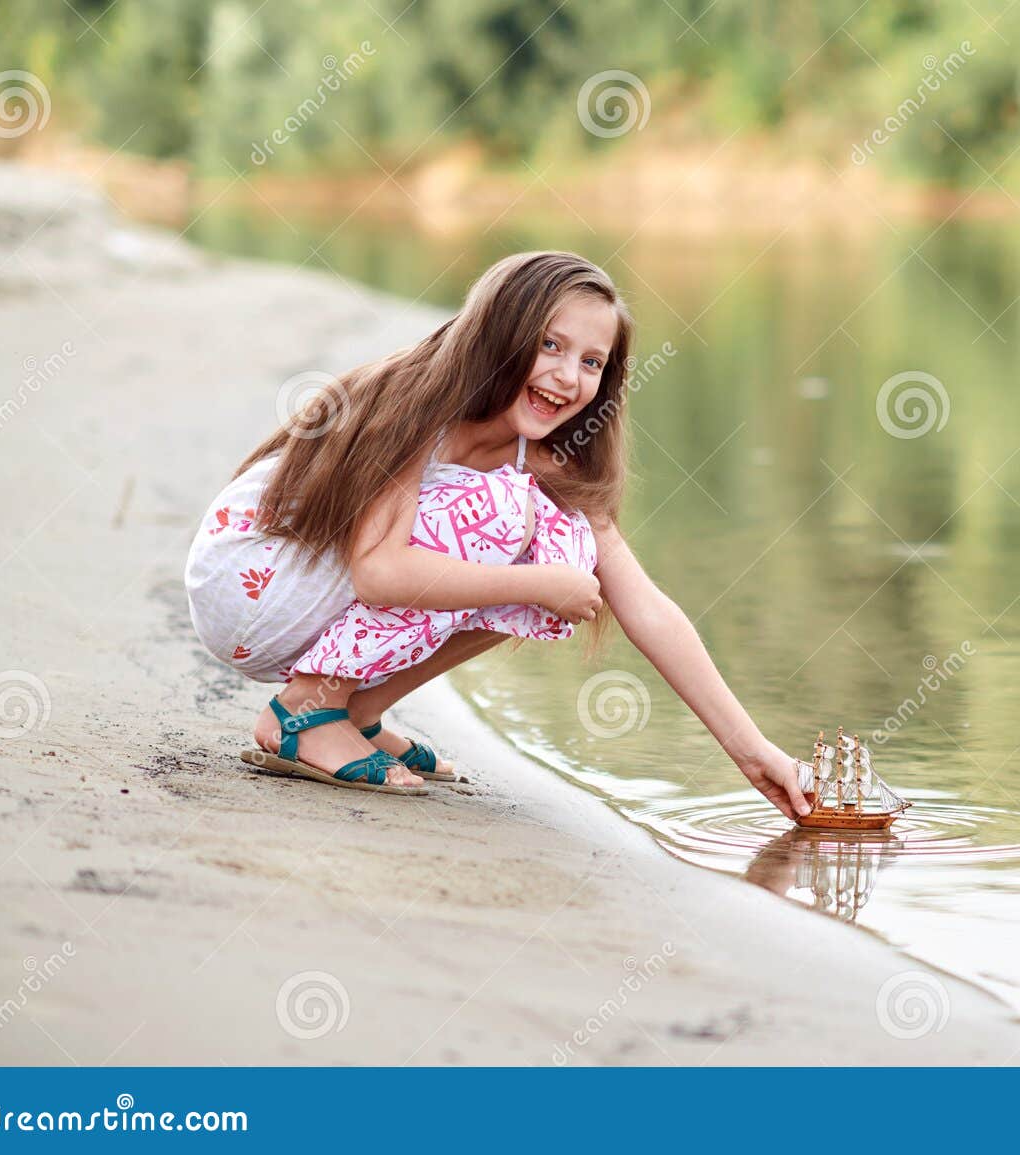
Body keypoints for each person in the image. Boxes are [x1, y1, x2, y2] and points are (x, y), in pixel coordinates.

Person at [185, 250, 810, 819]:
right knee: (516, 530)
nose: (569, 378)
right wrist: (536, 581)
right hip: (258, 579)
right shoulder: (419, 401)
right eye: (549, 345)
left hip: (309, 593)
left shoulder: (541, 457)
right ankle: (304, 711)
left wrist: (751, 751)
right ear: (498, 332)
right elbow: (378, 573)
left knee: (567, 549)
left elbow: (644, 604)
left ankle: (356, 711)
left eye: (592, 362)